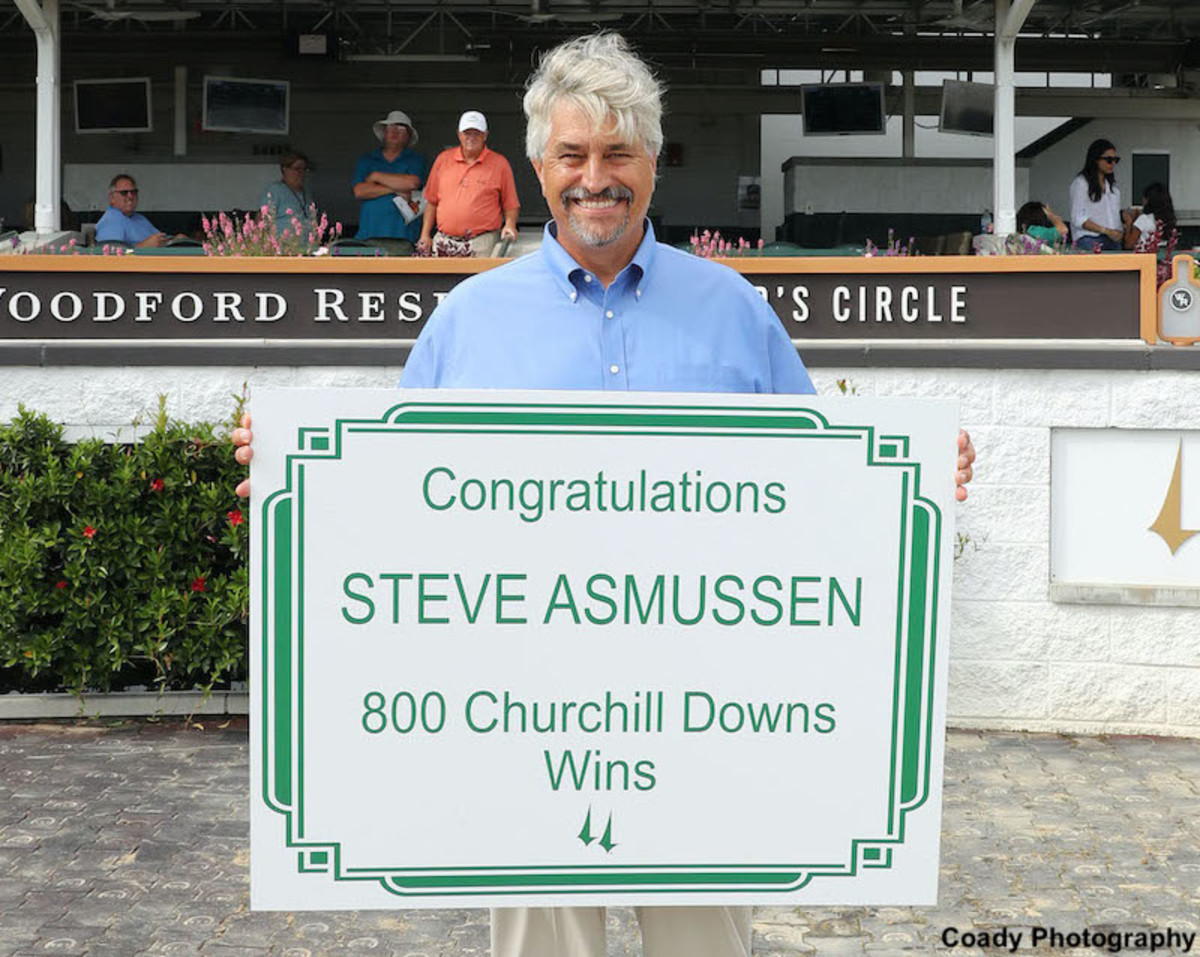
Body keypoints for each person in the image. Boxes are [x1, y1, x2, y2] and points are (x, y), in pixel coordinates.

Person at [233, 32, 975, 957]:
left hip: (706, 725)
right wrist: (292, 473)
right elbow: (391, 512)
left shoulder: (736, 310)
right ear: (537, 166)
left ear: (653, 164)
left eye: (619, 153)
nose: (597, 177)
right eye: (574, 154)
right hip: (526, 727)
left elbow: (821, 495)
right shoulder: (469, 320)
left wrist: (917, 480)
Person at [416, 110, 520, 257]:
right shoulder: (443, 160)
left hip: (482, 242)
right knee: (441, 281)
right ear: (459, 135)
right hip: (444, 240)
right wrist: (425, 235)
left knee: (479, 280)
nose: (471, 137)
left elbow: (511, 204)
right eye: (467, 133)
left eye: (476, 133)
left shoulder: (500, 164)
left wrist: (510, 224)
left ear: (485, 135)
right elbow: (431, 201)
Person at [352, 110, 426, 242]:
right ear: (384, 133)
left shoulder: (415, 159)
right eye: (390, 127)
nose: (394, 131)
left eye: (401, 129)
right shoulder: (367, 159)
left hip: (403, 234)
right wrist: (395, 189)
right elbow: (359, 191)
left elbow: (412, 183)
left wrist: (375, 177)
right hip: (370, 232)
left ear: (408, 136)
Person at [1069, 139, 1124, 251]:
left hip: (1112, 239)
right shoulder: (1081, 183)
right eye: (1109, 160)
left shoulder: (1113, 187)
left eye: (1115, 160)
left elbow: (1113, 216)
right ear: (1095, 159)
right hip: (1088, 237)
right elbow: (1077, 218)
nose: (1113, 163)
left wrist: (1119, 231)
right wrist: (1105, 230)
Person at [95, 174, 174, 247]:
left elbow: (160, 239)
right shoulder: (110, 221)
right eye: (124, 193)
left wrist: (175, 240)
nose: (130, 196)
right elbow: (111, 257)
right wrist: (144, 246)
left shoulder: (140, 218)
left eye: (133, 192)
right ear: (112, 198)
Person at [259, 150, 315, 235]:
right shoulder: (276, 190)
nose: (301, 173)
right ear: (285, 169)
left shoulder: (306, 193)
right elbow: (262, 220)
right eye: (297, 169)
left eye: (304, 169)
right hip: (284, 246)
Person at [1124, 181, 1176, 253]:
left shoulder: (1144, 219)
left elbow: (1129, 244)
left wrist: (1129, 223)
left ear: (1147, 199)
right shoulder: (1168, 220)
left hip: (1145, 258)